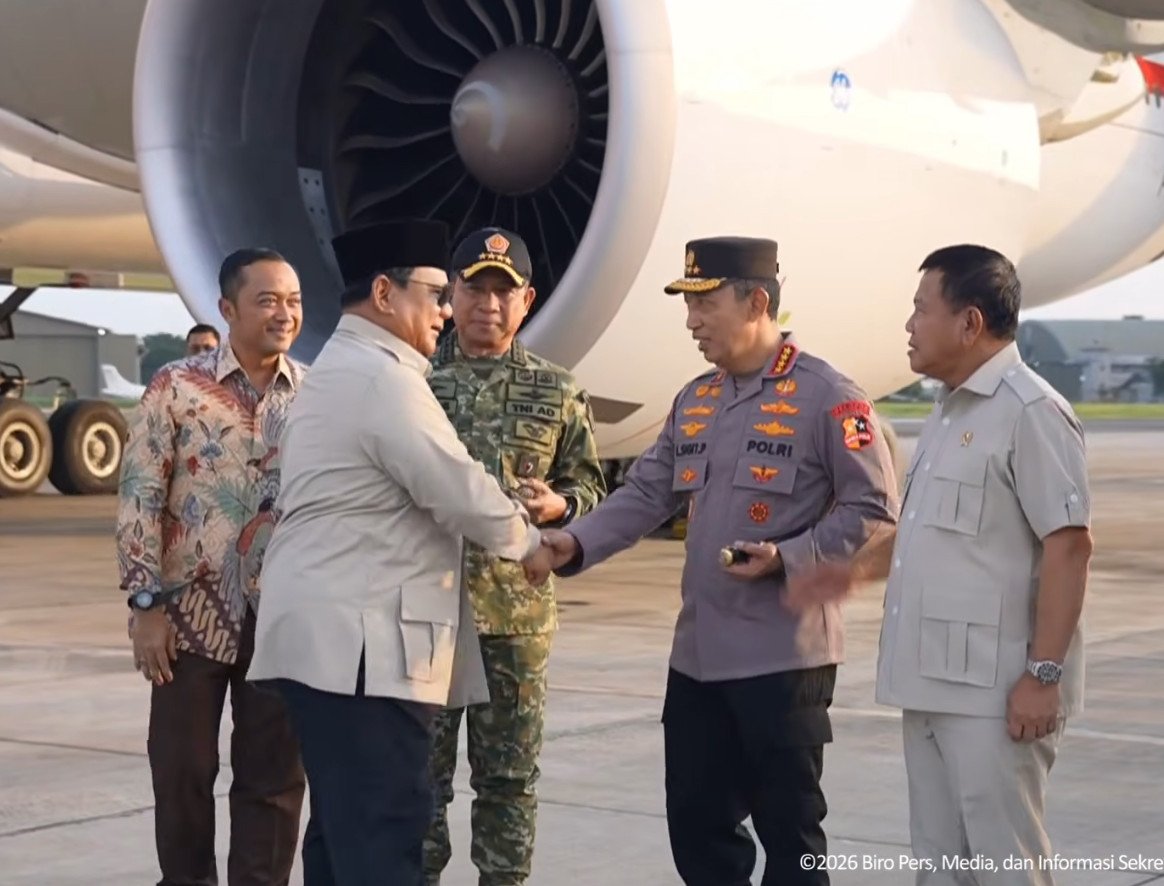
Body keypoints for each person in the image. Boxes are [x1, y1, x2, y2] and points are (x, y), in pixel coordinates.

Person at [539, 236, 900, 886]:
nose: (692, 321)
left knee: (791, 837)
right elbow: (648, 492)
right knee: (698, 828)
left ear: (757, 302)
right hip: (697, 660)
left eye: (705, 303)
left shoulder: (829, 397)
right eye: (689, 304)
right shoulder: (696, 399)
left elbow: (874, 508)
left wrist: (788, 556)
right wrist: (577, 541)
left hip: (782, 660)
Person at [246, 219, 556, 886]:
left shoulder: (343, 367)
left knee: (343, 834)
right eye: (435, 294)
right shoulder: (381, 378)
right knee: (384, 834)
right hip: (361, 653)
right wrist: (531, 544)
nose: (446, 310)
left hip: (333, 645)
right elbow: (458, 487)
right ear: (385, 294)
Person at [788, 245, 1093, 885]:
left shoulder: (1031, 413)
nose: (909, 325)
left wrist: (1043, 676)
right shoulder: (950, 411)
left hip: (995, 696)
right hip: (930, 684)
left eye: (921, 309)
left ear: (970, 322)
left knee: (1006, 865)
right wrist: (852, 574)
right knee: (940, 864)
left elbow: (1069, 547)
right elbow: (924, 532)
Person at [116, 247, 307, 886]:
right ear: (227, 308)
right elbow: (140, 494)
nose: (284, 314)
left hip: (281, 618)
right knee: (181, 771)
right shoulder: (175, 387)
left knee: (274, 779)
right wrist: (145, 605)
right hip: (187, 619)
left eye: (294, 301)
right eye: (267, 300)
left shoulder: (315, 395)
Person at [423, 227, 607, 886]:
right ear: (452, 292)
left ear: (527, 300)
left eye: (505, 292)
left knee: (509, 780)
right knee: (420, 781)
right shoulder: (414, 380)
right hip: (425, 613)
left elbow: (592, 486)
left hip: (516, 620)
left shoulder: (556, 389)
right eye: (476, 288)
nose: (489, 304)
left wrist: (561, 506)